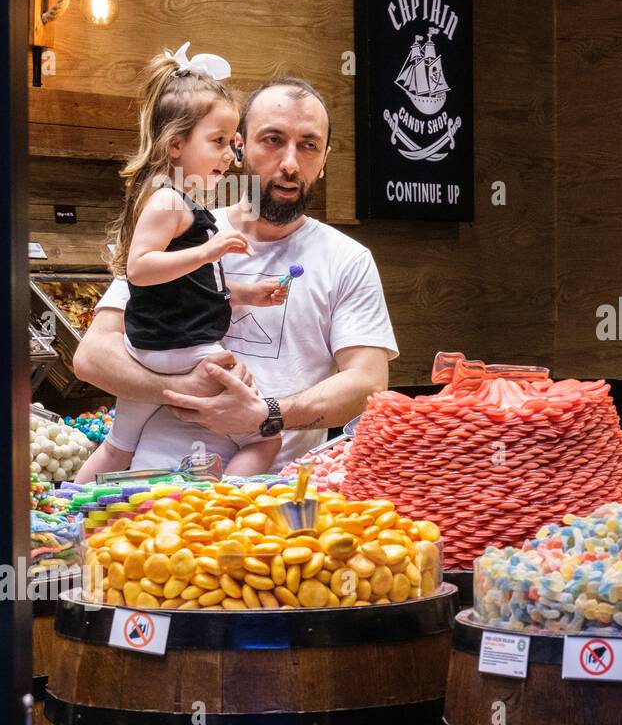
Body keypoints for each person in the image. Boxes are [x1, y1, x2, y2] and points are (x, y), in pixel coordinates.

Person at [74, 76, 398, 478]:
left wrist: (264, 414)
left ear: (326, 158)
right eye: (273, 139)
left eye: (308, 145)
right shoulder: (183, 229)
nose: (291, 163)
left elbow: (368, 383)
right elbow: (91, 356)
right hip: (148, 485)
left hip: (272, 498)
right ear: (238, 148)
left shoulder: (347, 259)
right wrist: (182, 389)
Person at [78, 46, 288, 481]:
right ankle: (224, 504)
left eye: (232, 144)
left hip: (153, 356)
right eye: (217, 142)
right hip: (185, 353)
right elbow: (140, 268)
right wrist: (210, 250)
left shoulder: (185, 203)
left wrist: (246, 293)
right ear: (175, 144)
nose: (230, 157)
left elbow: (193, 287)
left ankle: (63, 517)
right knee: (265, 437)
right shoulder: (167, 200)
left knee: (118, 448)